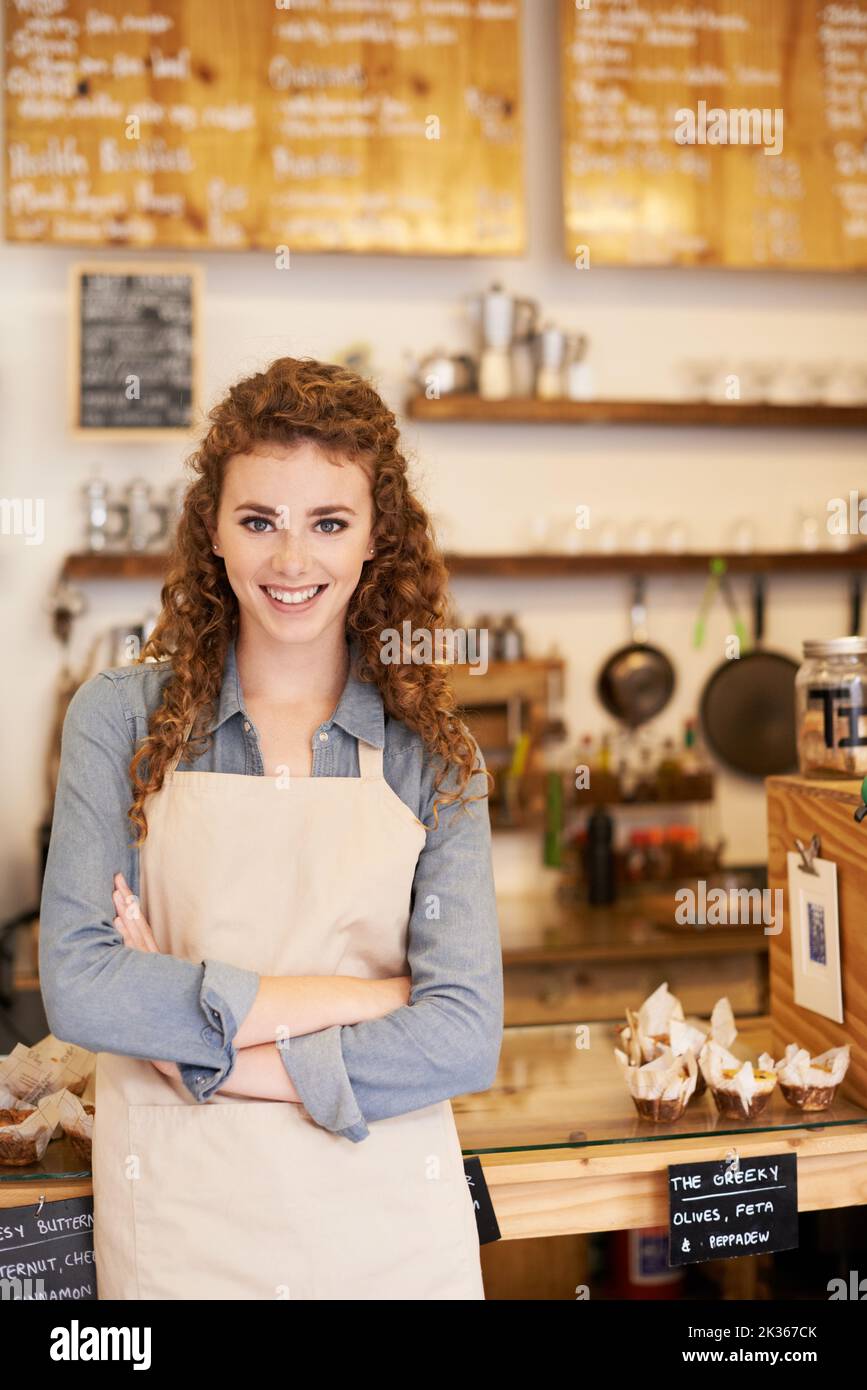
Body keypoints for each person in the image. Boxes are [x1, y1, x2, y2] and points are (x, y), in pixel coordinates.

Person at [39, 356, 504, 1300]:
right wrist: (363, 996)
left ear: (377, 538)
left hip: (388, 1235)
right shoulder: (119, 719)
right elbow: (83, 992)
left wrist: (208, 1055)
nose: (293, 564)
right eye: (260, 522)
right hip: (181, 1234)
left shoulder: (434, 754)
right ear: (213, 529)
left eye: (328, 524)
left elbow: (461, 1037)